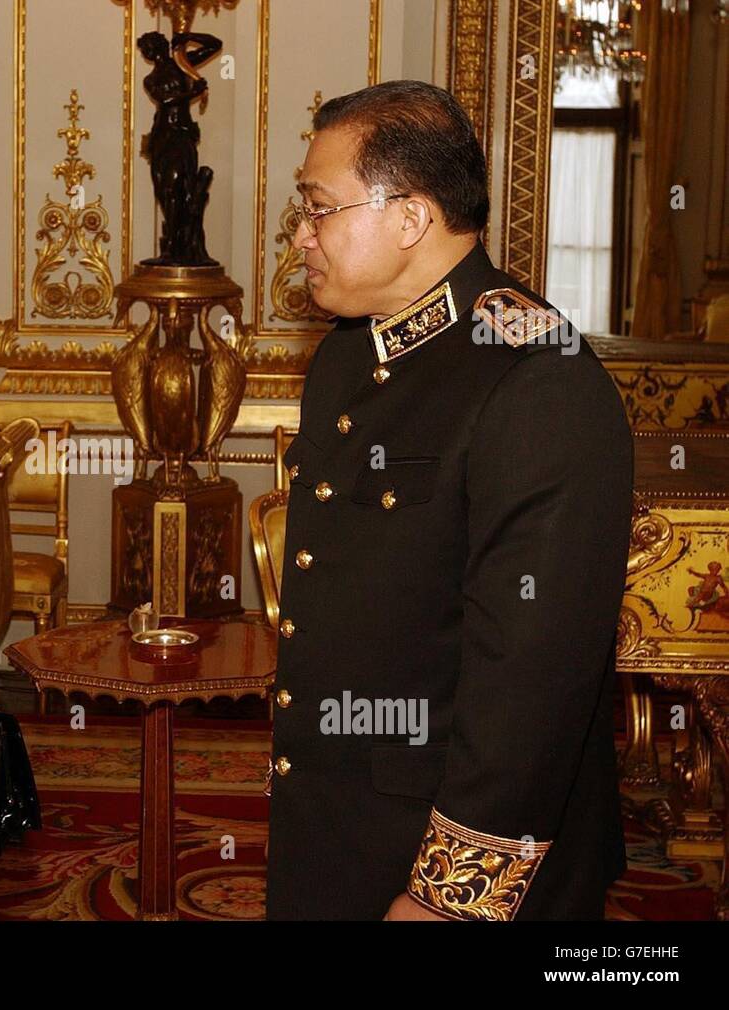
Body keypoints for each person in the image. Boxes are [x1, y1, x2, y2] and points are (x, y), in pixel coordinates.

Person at [266, 80, 633, 921]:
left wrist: (448, 896)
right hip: (336, 821)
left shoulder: (539, 380)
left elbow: (534, 681)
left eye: (318, 209)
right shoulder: (348, 358)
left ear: (409, 218)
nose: (300, 236)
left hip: (451, 851)